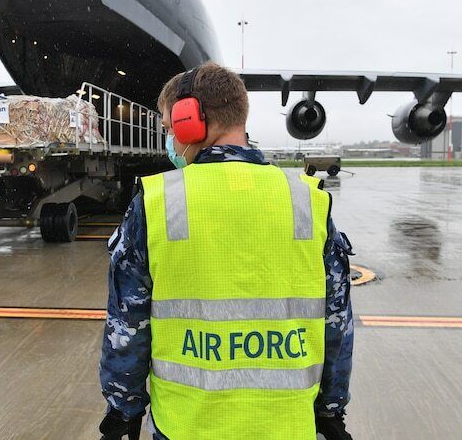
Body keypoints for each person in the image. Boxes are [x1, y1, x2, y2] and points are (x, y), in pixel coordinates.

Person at [98, 62, 354, 440]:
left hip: (187, 426)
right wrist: (330, 411)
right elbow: (336, 323)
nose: (170, 140)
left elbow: (128, 326)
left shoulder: (157, 203)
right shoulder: (307, 201)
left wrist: (123, 412)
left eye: (170, 128)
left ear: (191, 121)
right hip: (286, 426)